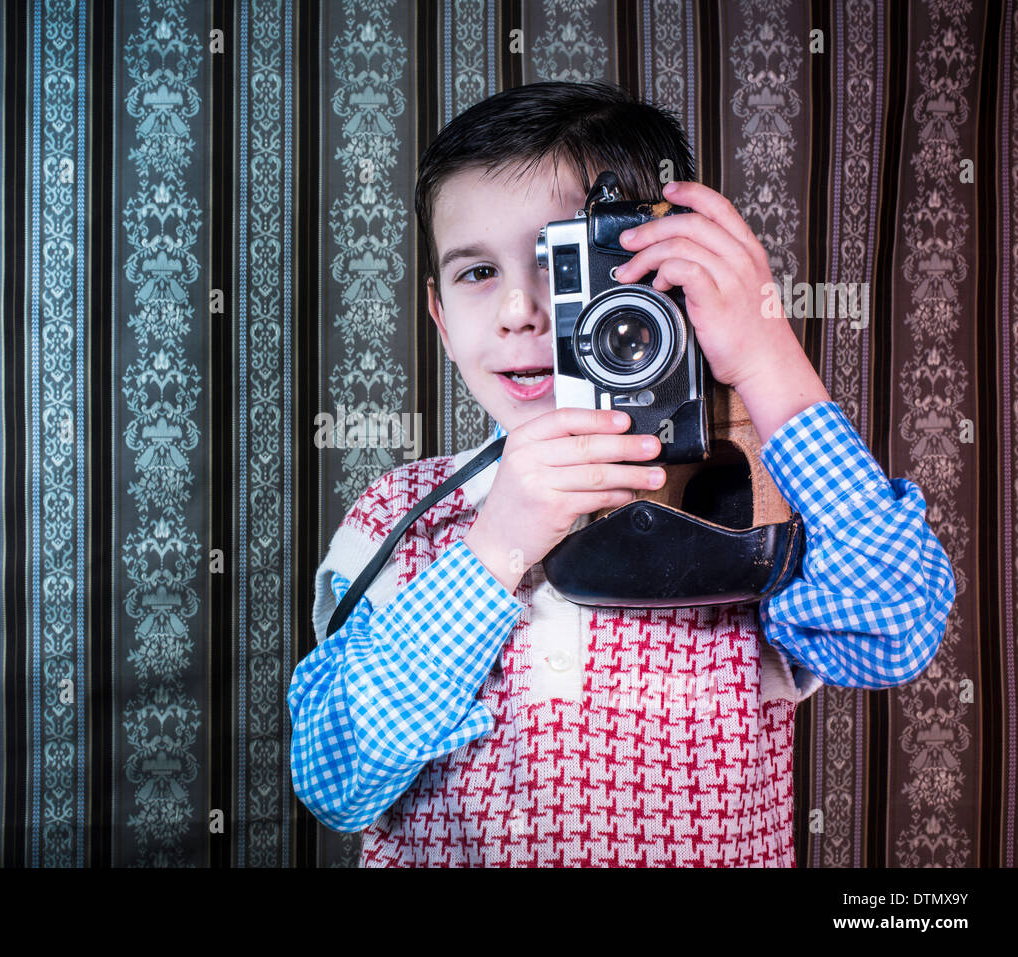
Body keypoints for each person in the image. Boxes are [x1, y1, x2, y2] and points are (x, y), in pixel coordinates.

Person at [287, 81, 954, 867]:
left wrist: (769, 360)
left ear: (667, 270)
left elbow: (893, 633)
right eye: (475, 274)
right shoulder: (399, 511)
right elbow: (336, 781)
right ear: (439, 318)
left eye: (558, 264)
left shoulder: (752, 492)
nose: (517, 309)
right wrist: (489, 554)